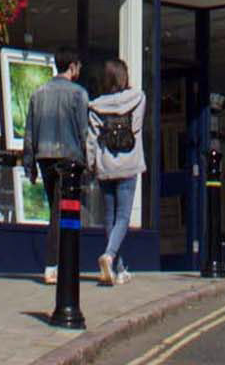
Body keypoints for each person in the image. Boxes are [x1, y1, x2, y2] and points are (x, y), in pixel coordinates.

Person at [22, 50, 89, 285]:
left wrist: (29, 164)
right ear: (72, 66)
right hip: (70, 160)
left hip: (45, 157)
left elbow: (29, 132)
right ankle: (54, 265)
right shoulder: (79, 94)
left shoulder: (38, 93)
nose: (79, 70)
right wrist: (89, 163)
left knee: (56, 208)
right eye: (78, 66)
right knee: (61, 213)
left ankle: (59, 263)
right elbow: (84, 133)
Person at [87, 58, 146, 285]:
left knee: (110, 218)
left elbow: (91, 140)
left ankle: (118, 270)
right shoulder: (138, 98)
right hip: (129, 164)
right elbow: (137, 126)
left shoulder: (95, 106)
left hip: (105, 165)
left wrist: (91, 165)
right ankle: (110, 256)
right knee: (123, 217)